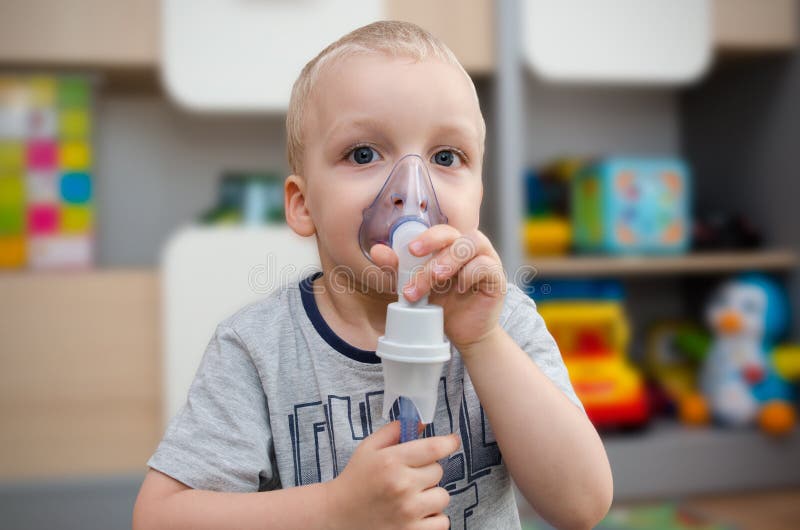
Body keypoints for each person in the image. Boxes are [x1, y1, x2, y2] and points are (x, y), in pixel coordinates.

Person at [133, 20, 612, 530]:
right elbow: (159, 518)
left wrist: (484, 341)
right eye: (363, 154)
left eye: (446, 157)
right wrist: (335, 510)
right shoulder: (258, 350)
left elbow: (582, 505)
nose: (411, 189)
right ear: (302, 205)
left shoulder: (502, 321)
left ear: (478, 197)